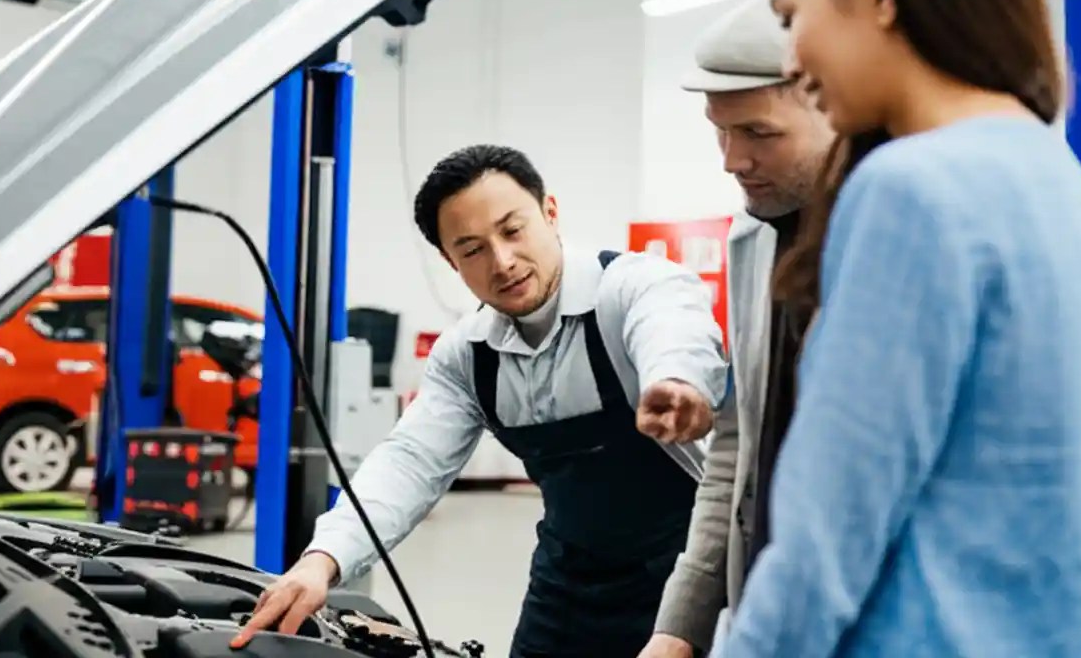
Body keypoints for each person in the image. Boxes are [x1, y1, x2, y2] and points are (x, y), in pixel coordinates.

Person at [710, 0, 1081, 656]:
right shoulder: (1061, 179)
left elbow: (823, 543)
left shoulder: (912, 191)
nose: (793, 60)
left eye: (790, 15)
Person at [231, 144, 729, 656]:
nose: (503, 261)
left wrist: (676, 380)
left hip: (688, 580)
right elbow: (410, 461)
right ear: (450, 261)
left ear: (550, 213)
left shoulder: (632, 288)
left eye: (513, 230)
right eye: (472, 250)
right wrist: (322, 559)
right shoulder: (466, 356)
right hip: (567, 589)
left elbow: (673, 327)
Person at [636, 0, 834, 658]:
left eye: (758, 133)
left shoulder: (888, 237)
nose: (731, 160)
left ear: (831, 106)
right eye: (720, 131)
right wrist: (680, 625)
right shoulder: (751, 235)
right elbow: (737, 448)